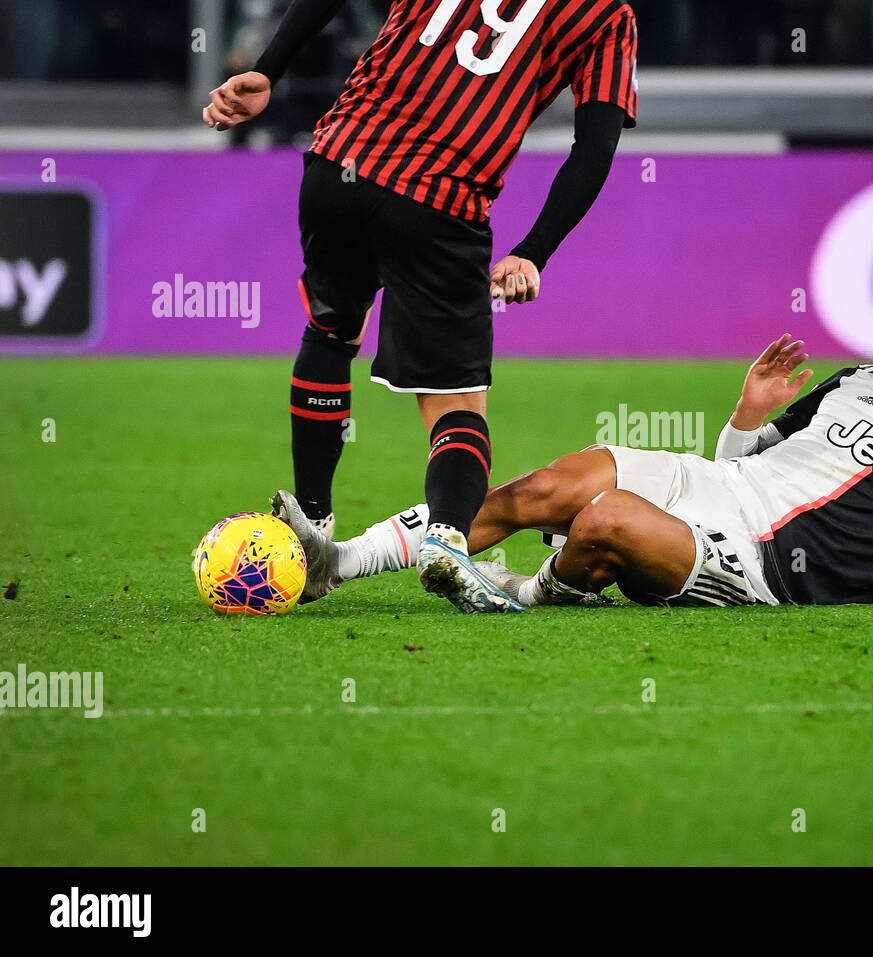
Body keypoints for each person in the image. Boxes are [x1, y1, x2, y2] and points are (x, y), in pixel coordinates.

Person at [273, 264, 873, 611]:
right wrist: (749, 414)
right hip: (714, 490)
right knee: (543, 487)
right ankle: (336, 562)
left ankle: (517, 594)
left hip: (759, 563)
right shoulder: (860, 383)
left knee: (603, 521)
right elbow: (735, 468)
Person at [203, 0, 638, 613]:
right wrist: (534, 250)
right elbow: (595, 146)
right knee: (457, 399)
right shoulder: (606, 14)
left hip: (339, 162)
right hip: (440, 194)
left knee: (330, 332)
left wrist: (269, 69)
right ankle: (448, 539)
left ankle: (314, 529)